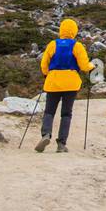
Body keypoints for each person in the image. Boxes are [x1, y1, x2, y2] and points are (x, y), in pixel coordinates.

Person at [36, 18, 95, 153]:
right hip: (71, 83)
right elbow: (84, 66)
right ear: (74, 31)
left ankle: (46, 134)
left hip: (53, 82)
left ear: (61, 30)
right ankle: (61, 144)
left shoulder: (52, 44)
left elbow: (44, 64)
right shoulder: (77, 46)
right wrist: (93, 66)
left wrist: (47, 75)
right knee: (66, 114)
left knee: (49, 111)